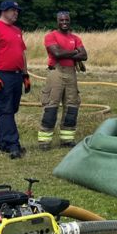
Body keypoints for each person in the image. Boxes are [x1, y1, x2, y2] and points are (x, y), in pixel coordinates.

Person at [0, 0, 29, 159]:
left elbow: (22, 53)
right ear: (4, 11)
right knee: (5, 109)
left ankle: (3, 144)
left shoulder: (17, 30)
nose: (16, 13)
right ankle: (12, 145)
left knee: (11, 109)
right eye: (13, 11)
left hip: (17, 75)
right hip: (3, 75)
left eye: (17, 11)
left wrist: (25, 75)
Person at [38, 11, 88, 149]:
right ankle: (44, 141)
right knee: (51, 107)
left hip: (71, 73)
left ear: (69, 21)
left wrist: (71, 53)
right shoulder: (51, 36)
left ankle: (67, 140)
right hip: (56, 72)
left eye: (66, 20)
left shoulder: (75, 38)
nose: (64, 22)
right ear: (57, 21)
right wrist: (74, 52)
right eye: (61, 20)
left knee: (72, 106)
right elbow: (57, 53)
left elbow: (84, 56)